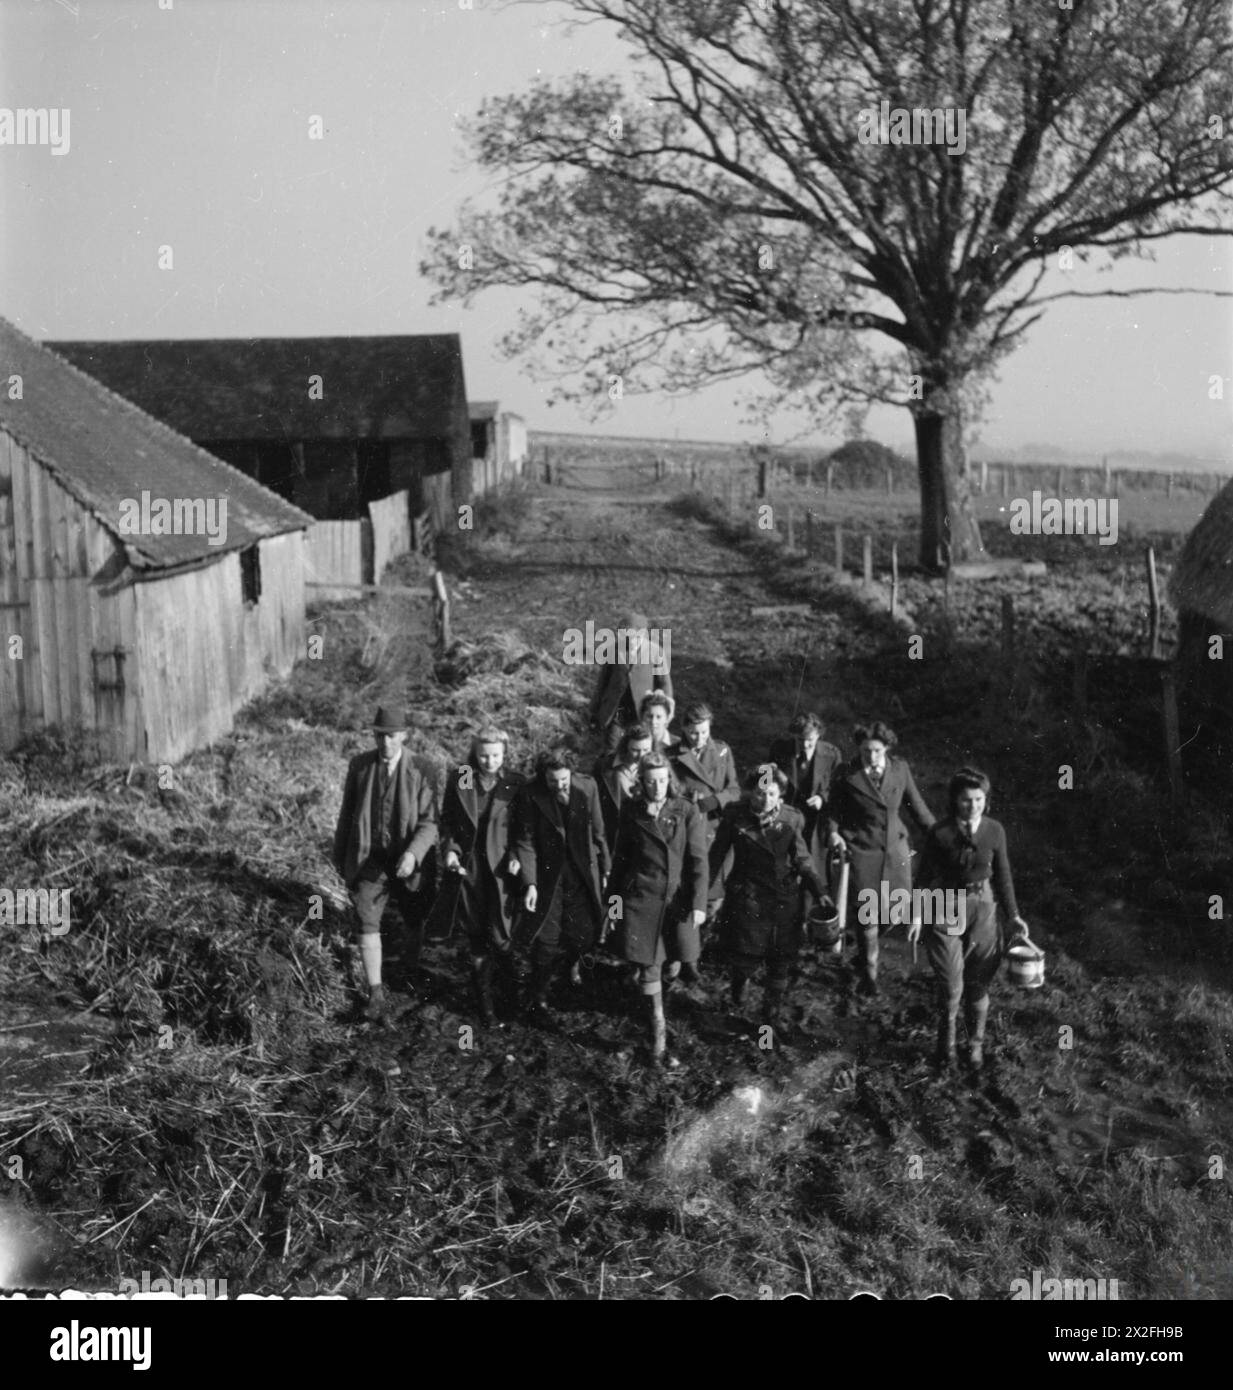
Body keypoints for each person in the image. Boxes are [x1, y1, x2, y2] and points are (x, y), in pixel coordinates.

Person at [909, 767, 1030, 1072]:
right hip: (946, 905)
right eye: (966, 800)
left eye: (978, 799)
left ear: (985, 800)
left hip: (983, 907)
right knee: (951, 984)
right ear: (955, 801)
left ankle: (973, 1045)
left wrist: (1013, 915)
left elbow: (1003, 876)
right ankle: (945, 1047)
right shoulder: (941, 833)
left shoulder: (994, 831)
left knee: (979, 984)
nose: (972, 805)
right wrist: (916, 913)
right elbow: (923, 877)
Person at [332, 706, 439, 1022]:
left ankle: (409, 966)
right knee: (367, 918)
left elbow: (430, 822)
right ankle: (376, 992)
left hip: (409, 856)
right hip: (371, 857)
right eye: (379, 736)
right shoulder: (360, 766)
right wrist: (341, 859)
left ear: (405, 735)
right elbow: (347, 815)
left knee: (414, 914)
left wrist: (413, 854)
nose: (385, 743)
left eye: (391, 736)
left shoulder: (424, 768)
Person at [709, 764, 826, 1034]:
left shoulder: (792, 819)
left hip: (784, 901)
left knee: (780, 962)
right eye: (761, 794)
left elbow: (803, 860)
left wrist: (819, 891)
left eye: (772, 794)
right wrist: (705, 895)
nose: (766, 800)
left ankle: (769, 1019)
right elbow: (716, 856)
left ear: (781, 796)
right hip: (746, 899)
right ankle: (738, 991)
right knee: (744, 958)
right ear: (750, 792)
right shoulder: (735, 816)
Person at [607, 752, 708, 1065]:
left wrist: (699, 903)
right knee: (649, 963)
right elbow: (620, 861)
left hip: (676, 900)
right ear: (642, 782)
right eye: (650, 781)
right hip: (641, 899)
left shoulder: (686, 810)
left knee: (675, 961)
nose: (657, 786)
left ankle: (656, 996)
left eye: (663, 780)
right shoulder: (632, 811)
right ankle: (658, 1036)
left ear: (670, 780)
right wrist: (614, 907)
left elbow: (698, 862)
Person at [425, 727, 526, 1028]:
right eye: (483, 754)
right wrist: (451, 851)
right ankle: (486, 1007)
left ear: (504, 754)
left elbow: (523, 829)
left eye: (495, 755)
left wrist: (517, 858)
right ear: (474, 752)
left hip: (501, 872)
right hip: (471, 870)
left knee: (502, 935)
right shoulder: (463, 776)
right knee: (477, 936)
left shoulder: (514, 783)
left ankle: (512, 1000)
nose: (489, 761)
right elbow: (449, 821)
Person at [826, 721, 935, 997]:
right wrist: (834, 834)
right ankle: (868, 974)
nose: (870, 756)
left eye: (876, 750)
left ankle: (863, 952)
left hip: (896, 849)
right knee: (868, 915)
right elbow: (833, 810)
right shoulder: (846, 773)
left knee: (895, 910)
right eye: (865, 750)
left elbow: (917, 806)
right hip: (863, 849)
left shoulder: (900, 770)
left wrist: (940, 836)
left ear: (886, 748)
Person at [512, 746, 611, 1020]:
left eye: (563, 780)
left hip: (581, 871)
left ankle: (572, 966)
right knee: (546, 938)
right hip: (548, 876)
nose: (558, 786)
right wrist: (530, 882)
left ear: (572, 773)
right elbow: (526, 840)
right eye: (552, 781)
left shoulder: (588, 788)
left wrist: (605, 869)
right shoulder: (530, 794)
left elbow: (599, 833)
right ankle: (539, 994)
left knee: (584, 933)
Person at [769, 712, 844, 909]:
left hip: (816, 823)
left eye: (810, 740)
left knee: (813, 870)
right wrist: (770, 796)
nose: (805, 745)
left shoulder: (832, 754)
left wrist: (822, 798)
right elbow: (764, 777)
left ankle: (809, 919)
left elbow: (838, 789)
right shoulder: (779, 749)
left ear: (819, 735)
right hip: (787, 818)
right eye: (800, 740)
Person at [589, 611, 674, 752]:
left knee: (642, 746)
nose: (629, 640)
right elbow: (603, 682)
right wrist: (594, 709)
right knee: (612, 747)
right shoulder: (614, 650)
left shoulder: (655, 652)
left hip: (642, 711)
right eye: (624, 636)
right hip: (617, 710)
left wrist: (666, 710)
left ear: (642, 634)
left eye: (633, 636)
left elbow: (665, 683)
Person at [671, 701, 740, 850]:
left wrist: (716, 800)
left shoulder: (722, 751)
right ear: (683, 728)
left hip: (716, 826)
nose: (700, 738)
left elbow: (734, 791)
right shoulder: (671, 755)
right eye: (693, 733)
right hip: (686, 826)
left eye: (704, 732)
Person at [592, 724, 653, 853]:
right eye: (635, 750)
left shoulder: (655, 767)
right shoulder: (604, 766)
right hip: (613, 835)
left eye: (646, 750)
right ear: (625, 747)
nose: (641, 756)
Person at [639, 691, 679, 755]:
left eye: (658, 717)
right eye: (649, 716)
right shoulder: (634, 743)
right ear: (642, 716)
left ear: (667, 718)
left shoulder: (678, 744)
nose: (653, 721)